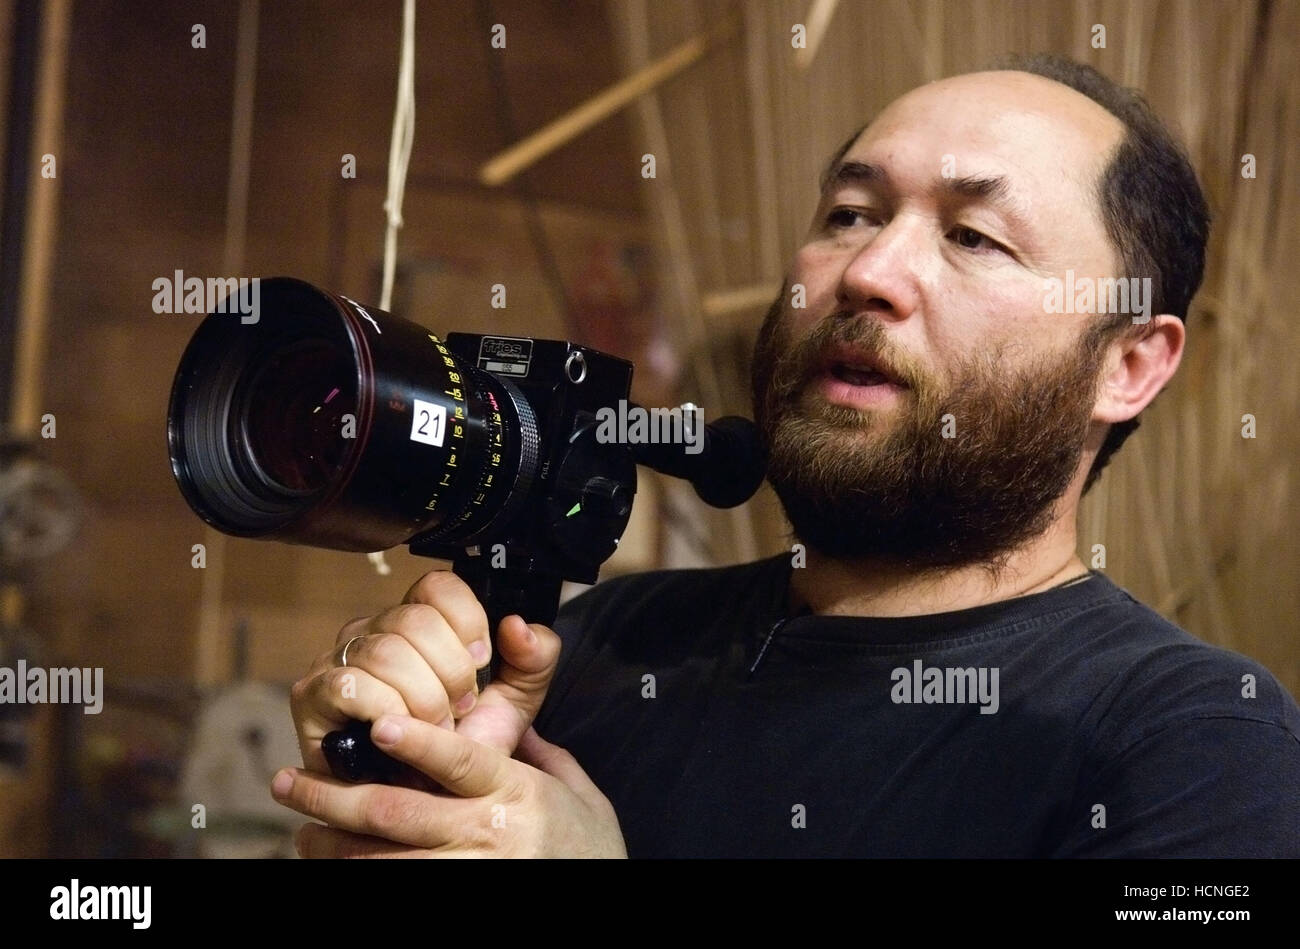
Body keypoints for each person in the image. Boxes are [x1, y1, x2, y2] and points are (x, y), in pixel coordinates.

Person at [271, 54, 1300, 857]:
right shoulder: (603, 646)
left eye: (975, 236)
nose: (872, 270)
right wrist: (399, 779)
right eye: (849, 214)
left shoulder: (1198, 742)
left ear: (1126, 364)